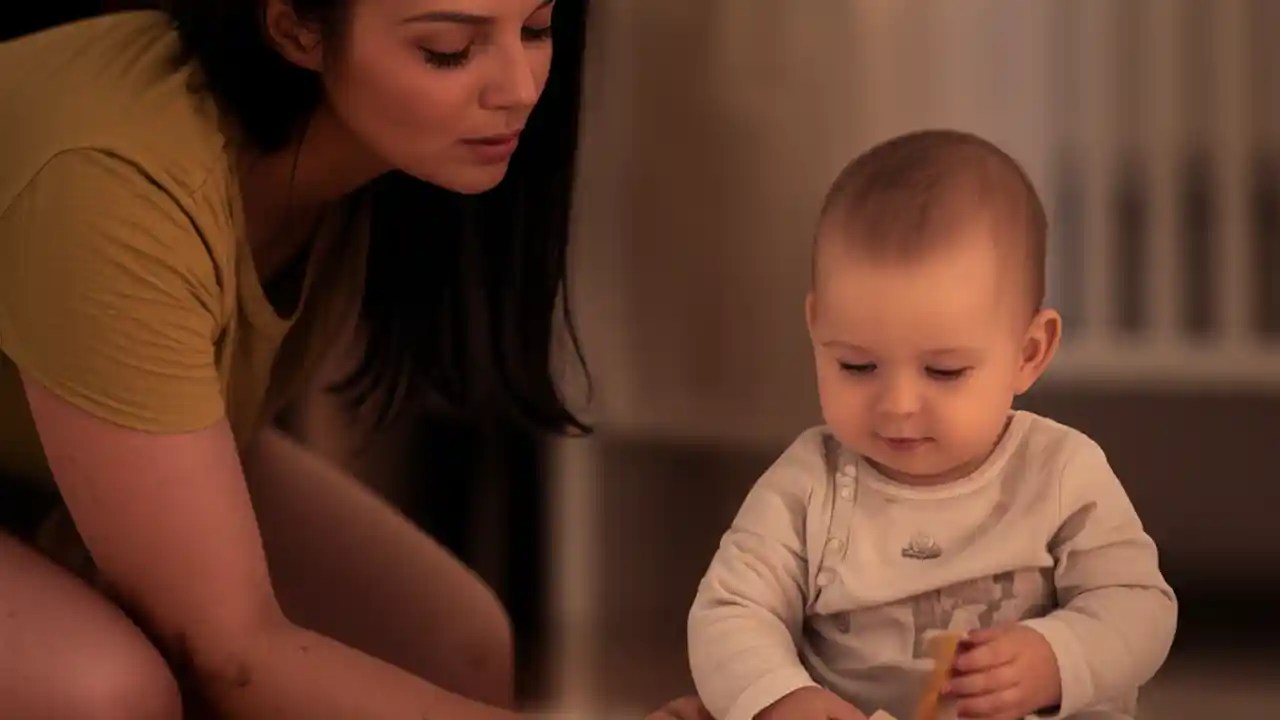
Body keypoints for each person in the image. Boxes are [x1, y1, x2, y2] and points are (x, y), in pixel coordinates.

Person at [0, 2, 705, 718]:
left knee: (453, 643)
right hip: (33, 458)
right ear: (296, 29)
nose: (519, 88)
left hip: (43, 452)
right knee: (100, 693)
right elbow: (231, 652)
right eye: (449, 49)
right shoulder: (114, 178)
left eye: (536, 29)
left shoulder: (382, 156)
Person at [686, 130, 1178, 720]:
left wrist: (1056, 656)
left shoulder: (1060, 471)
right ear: (816, 327)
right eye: (857, 365)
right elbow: (731, 610)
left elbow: (1138, 605)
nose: (896, 405)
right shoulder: (808, 482)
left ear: (1028, 352)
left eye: (944, 371)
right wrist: (783, 698)